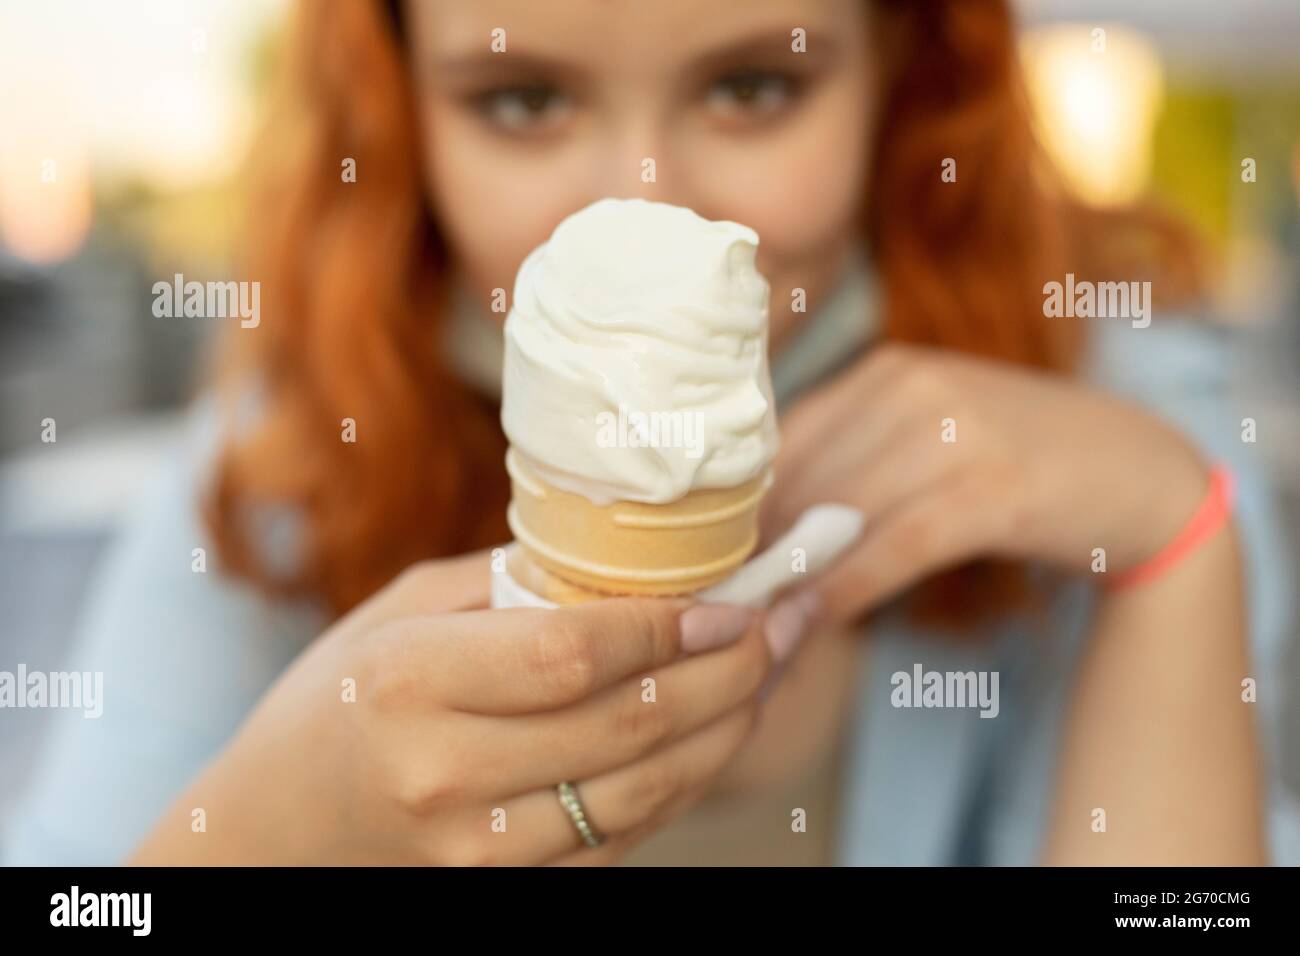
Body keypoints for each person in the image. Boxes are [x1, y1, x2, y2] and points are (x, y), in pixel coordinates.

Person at [4, 0, 1296, 866]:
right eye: (520, 102)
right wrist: (278, 826)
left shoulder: (1125, 450)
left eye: (753, 87)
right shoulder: (272, 476)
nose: (643, 210)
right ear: (403, 111)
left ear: (898, 78)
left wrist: (1173, 552)